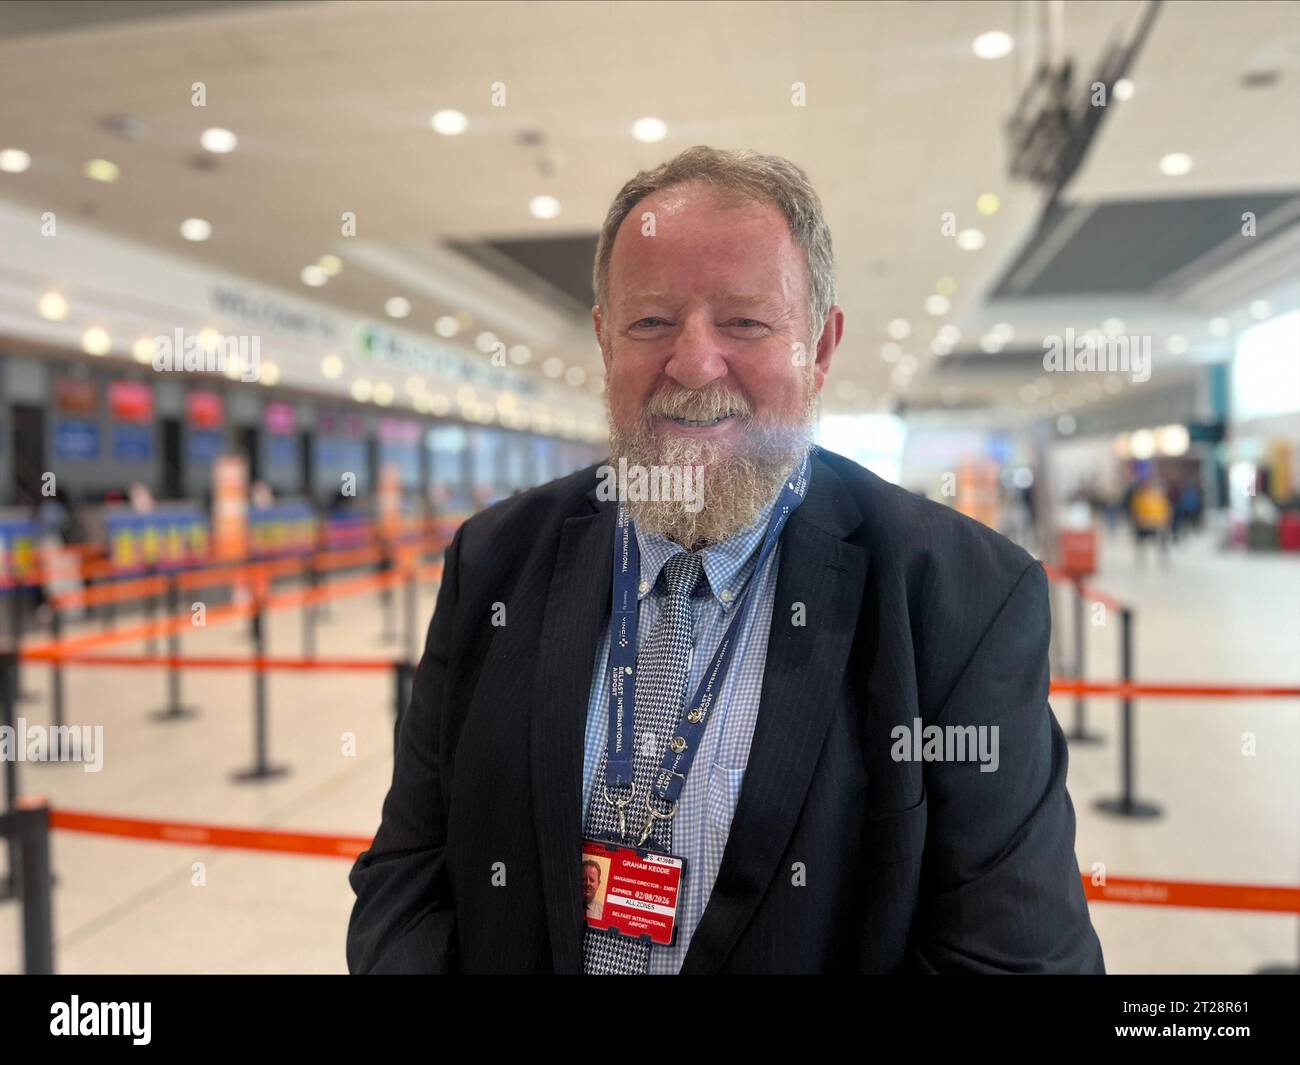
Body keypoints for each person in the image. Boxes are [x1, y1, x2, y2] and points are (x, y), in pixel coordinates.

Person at [347, 146, 1103, 975]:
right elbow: (408, 876)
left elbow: (1016, 960)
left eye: (745, 321)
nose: (694, 363)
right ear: (605, 341)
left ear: (819, 347)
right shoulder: (493, 562)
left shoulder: (963, 599)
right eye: (650, 322)